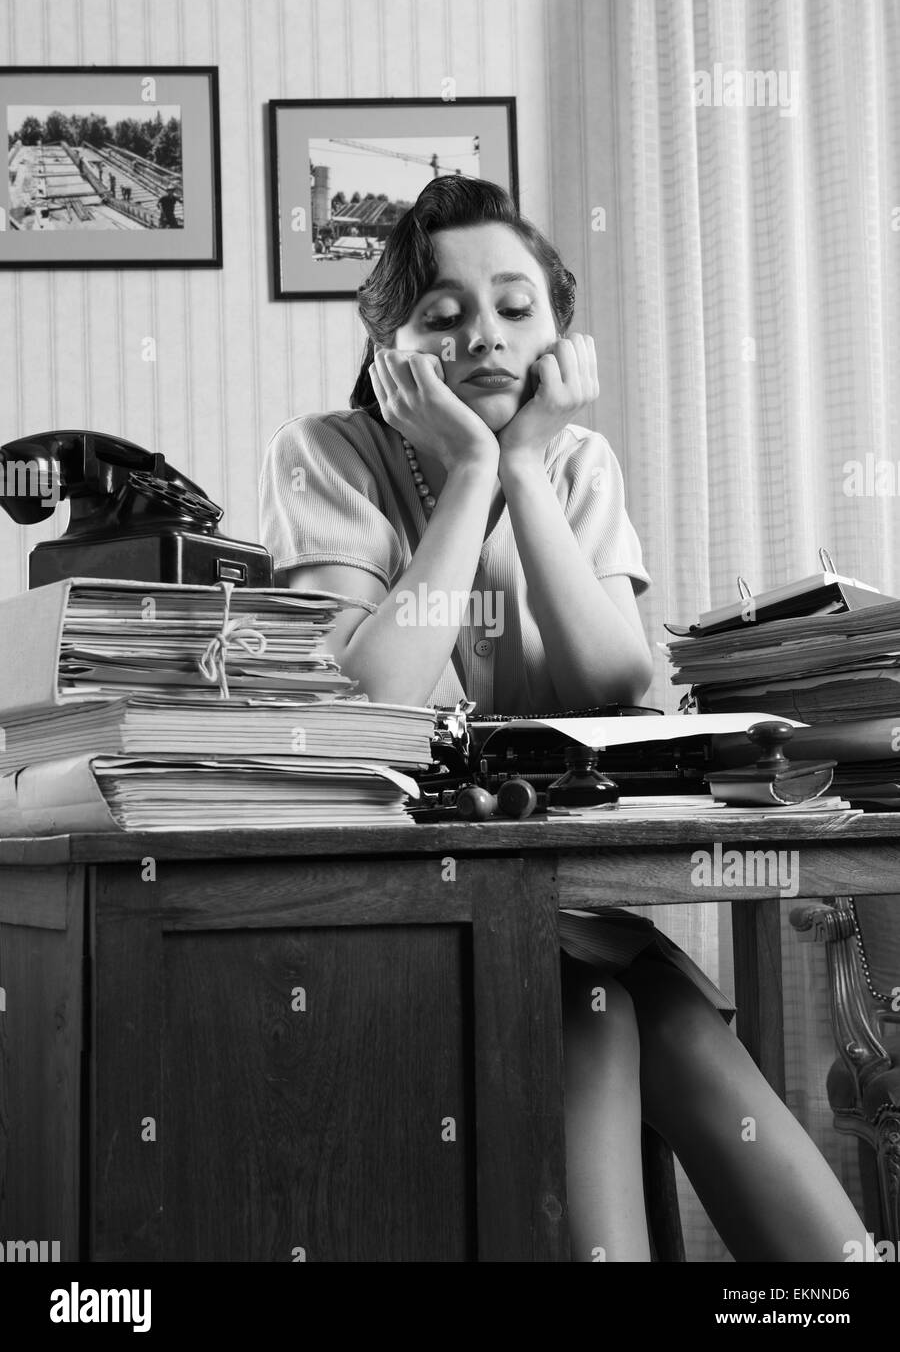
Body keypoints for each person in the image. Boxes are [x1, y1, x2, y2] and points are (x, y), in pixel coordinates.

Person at [259, 174, 870, 1262]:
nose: (484, 337)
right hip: (392, 904)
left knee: (671, 1021)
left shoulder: (580, 464)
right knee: (596, 1020)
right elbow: (370, 698)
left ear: (558, 336)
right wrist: (471, 478)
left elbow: (617, 686)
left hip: (567, 898)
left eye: (515, 307)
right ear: (392, 350)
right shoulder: (325, 455)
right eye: (443, 317)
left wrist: (528, 471)